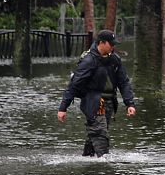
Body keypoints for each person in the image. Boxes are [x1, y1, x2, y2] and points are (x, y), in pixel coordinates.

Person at [57, 29, 136, 157]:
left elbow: (124, 82)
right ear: (101, 43)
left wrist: (130, 103)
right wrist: (63, 107)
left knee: (94, 135)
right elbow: (74, 85)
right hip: (93, 103)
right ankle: (104, 165)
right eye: (111, 44)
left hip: (109, 102)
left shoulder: (115, 60)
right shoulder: (89, 61)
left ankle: (88, 161)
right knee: (100, 134)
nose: (113, 46)